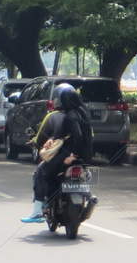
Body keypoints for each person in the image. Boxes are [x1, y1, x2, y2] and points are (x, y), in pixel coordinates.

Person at [22, 83, 94, 222]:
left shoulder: (68, 116)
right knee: (85, 174)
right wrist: (54, 139)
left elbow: (77, 137)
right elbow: (69, 134)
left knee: (41, 171)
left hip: (70, 154)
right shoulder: (83, 113)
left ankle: (37, 211)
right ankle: (88, 195)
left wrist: (72, 155)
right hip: (85, 157)